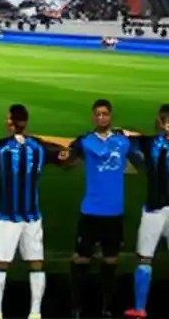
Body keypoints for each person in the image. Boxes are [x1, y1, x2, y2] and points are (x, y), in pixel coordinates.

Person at [0, 104, 68, 319]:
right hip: (32, 216)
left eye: (7, 118)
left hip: (6, 215)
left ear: (11, 123)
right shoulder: (39, 147)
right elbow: (63, 155)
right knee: (36, 263)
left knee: (0, 264)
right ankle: (35, 312)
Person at [66, 99, 132, 318]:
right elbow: (67, 159)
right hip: (91, 210)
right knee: (81, 259)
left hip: (114, 212)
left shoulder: (123, 141)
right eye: (97, 114)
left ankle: (107, 308)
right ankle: (76, 307)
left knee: (110, 260)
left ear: (110, 116)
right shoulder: (84, 141)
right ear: (93, 117)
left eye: (105, 114)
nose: (101, 117)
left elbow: (143, 159)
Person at [126, 103, 169, 319]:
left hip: (154, 209)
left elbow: (127, 139)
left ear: (161, 122)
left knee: (144, 258)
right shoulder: (149, 141)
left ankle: (140, 308)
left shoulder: (150, 143)